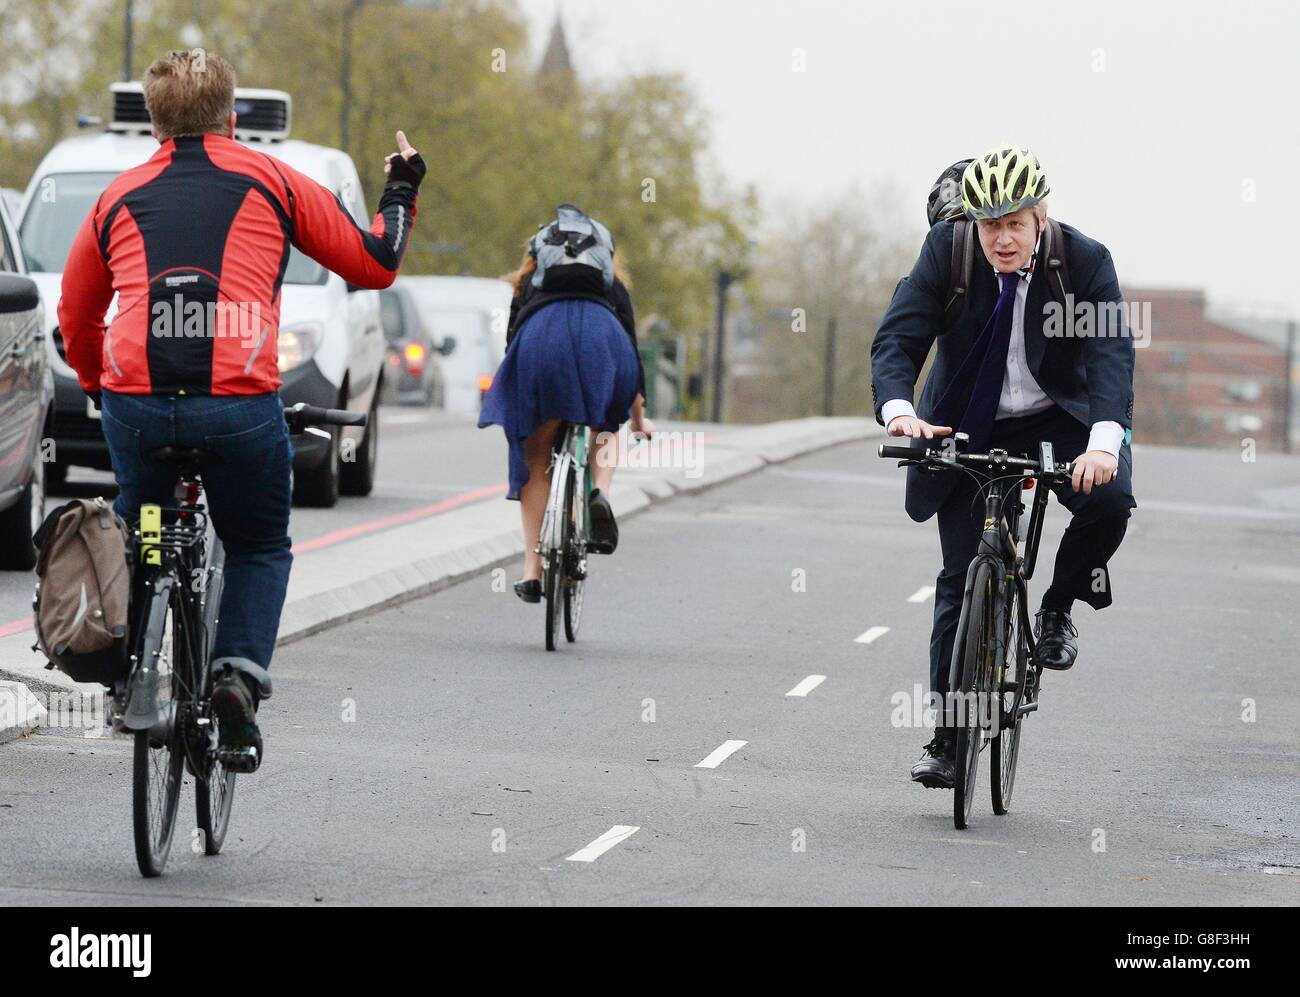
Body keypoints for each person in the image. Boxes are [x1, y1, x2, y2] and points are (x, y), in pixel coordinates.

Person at [57, 50, 426, 768]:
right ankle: (235, 676)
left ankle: (132, 667)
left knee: (142, 525)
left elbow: (76, 315)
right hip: (237, 405)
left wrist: (104, 391)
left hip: (138, 400)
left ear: (154, 124)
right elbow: (377, 262)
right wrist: (401, 187)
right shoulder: (276, 180)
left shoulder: (116, 197)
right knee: (257, 543)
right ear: (233, 118)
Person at [870, 144, 1136, 789]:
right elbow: (898, 338)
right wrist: (900, 410)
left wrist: (1103, 442)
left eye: (1015, 223)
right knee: (960, 580)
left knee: (1109, 502)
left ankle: (1056, 608)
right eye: (991, 225)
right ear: (973, 222)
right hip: (960, 416)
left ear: (1040, 218)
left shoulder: (1084, 262)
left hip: (1056, 414)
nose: (1003, 238)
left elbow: (1109, 354)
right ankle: (948, 737)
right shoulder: (948, 252)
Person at [479, 204, 655, 603]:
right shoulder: (612, 287)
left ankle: (531, 571)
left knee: (536, 455)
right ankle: (601, 494)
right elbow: (631, 351)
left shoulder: (530, 282)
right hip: (602, 339)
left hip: (542, 340)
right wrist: (639, 419)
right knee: (606, 427)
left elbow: (512, 341)